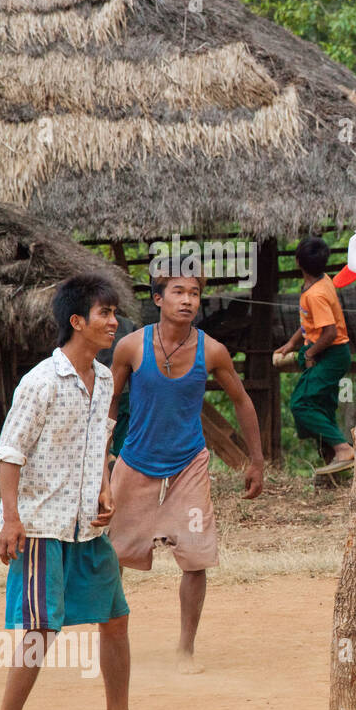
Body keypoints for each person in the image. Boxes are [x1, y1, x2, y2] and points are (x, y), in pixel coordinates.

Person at [0, 274, 168, 710]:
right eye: (105, 314)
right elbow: (9, 453)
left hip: (87, 529)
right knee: (40, 623)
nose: (115, 322)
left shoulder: (106, 377)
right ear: (77, 321)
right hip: (40, 525)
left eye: (114, 313)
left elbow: (99, 444)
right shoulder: (41, 382)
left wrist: (103, 487)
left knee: (115, 618)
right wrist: (11, 519)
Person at [109, 261, 265, 674]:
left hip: (188, 466)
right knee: (114, 557)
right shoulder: (131, 347)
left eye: (194, 293)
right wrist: (99, 458)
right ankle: (112, 645)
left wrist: (256, 461)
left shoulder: (211, 351)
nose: (187, 300)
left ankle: (185, 651)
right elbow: (106, 403)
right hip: (135, 462)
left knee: (196, 557)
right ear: (158, 299)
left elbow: (242, 401)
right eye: (178, 292)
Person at [275, 238, 355, 473]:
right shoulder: (322, 280)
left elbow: (329, 332)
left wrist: (309, 353)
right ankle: (332, 462)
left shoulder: (315, 295)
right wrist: (291, 343)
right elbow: (309, 323)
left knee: (300, 404)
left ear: (297, 261)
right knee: (322, 407)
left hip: (331, 354)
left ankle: (343, 449)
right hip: (329, 352)